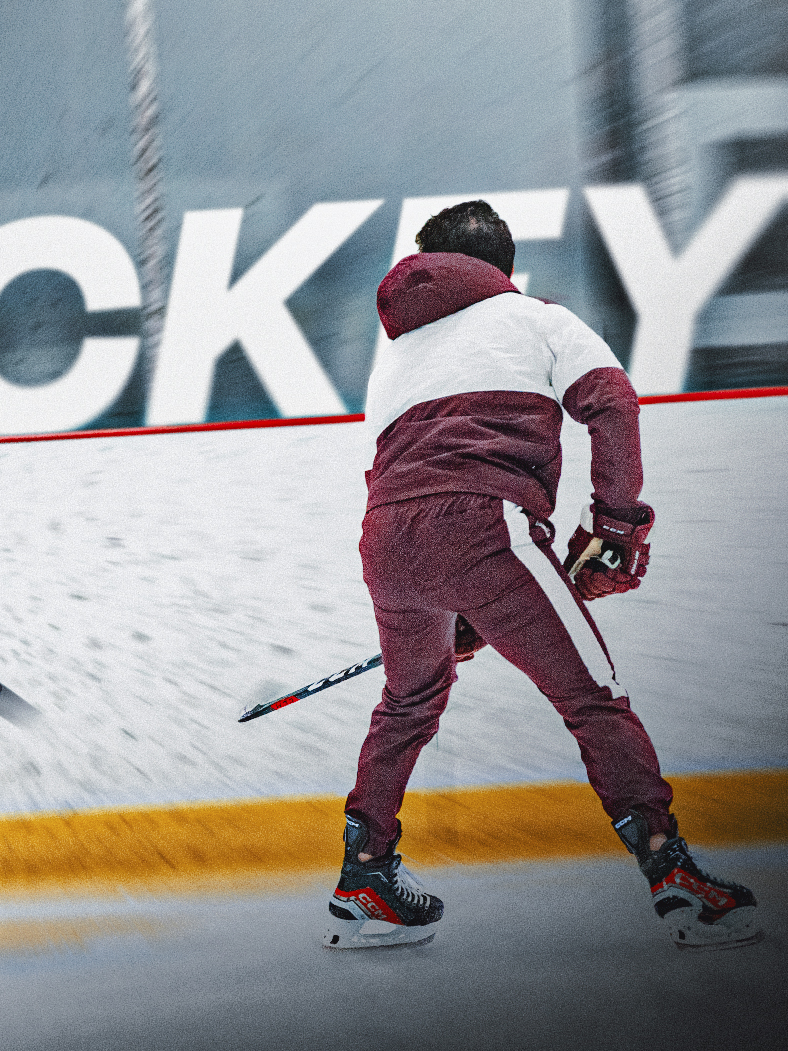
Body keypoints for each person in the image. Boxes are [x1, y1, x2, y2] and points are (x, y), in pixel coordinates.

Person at [326, 200, 760, 951]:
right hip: (485, 525)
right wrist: (616, 525)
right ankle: (676, 879)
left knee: (408, 700)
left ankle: (364, 878)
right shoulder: (535, 319)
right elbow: (611, 400)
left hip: (388, 541)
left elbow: (409, 477)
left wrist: (457, 607)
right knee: (593, 698)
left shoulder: (396, 352)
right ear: (503, 265)